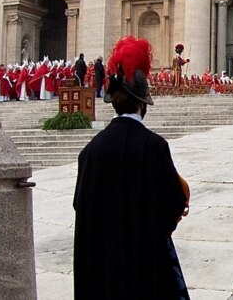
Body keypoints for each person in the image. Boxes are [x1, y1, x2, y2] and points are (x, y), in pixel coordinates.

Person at [74, 36, 190, 299]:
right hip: (145, 266)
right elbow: (175, 201)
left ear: (114, 102)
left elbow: (79, 205)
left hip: (101, 269)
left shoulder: (90, 152)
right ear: (141, 103)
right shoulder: (154, 146)